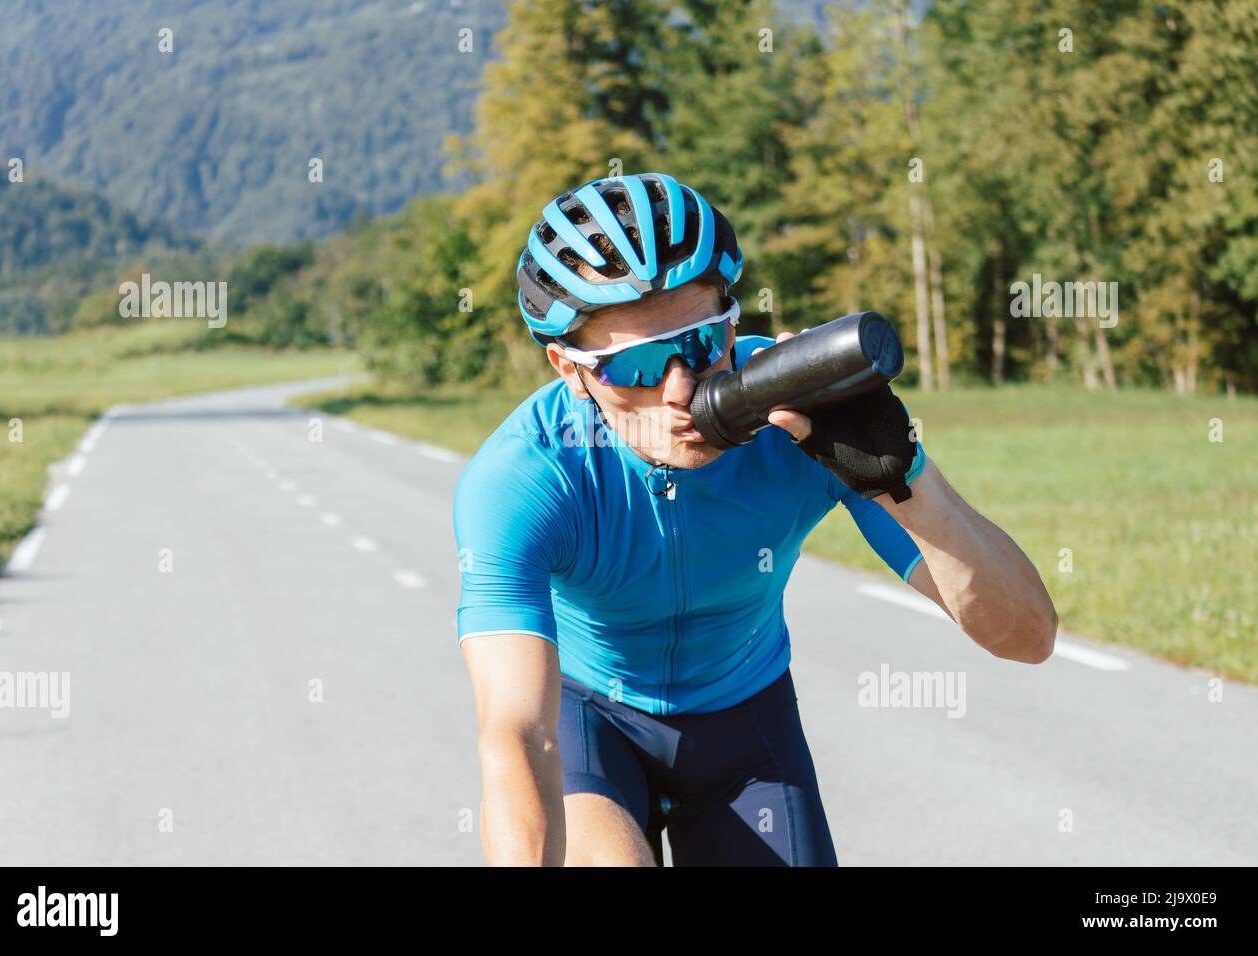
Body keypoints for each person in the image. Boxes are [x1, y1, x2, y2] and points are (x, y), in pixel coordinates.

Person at [452, 172, 1058, 866]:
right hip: (594, 720)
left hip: (745, 721)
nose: (680, 389)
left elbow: (1027, 636)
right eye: (638, 365)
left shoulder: (800, 419)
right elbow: (520, 735)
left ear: (733, 321)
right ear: (570, 368)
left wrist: (906, 477)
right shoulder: (524, 478)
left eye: (700, 342)